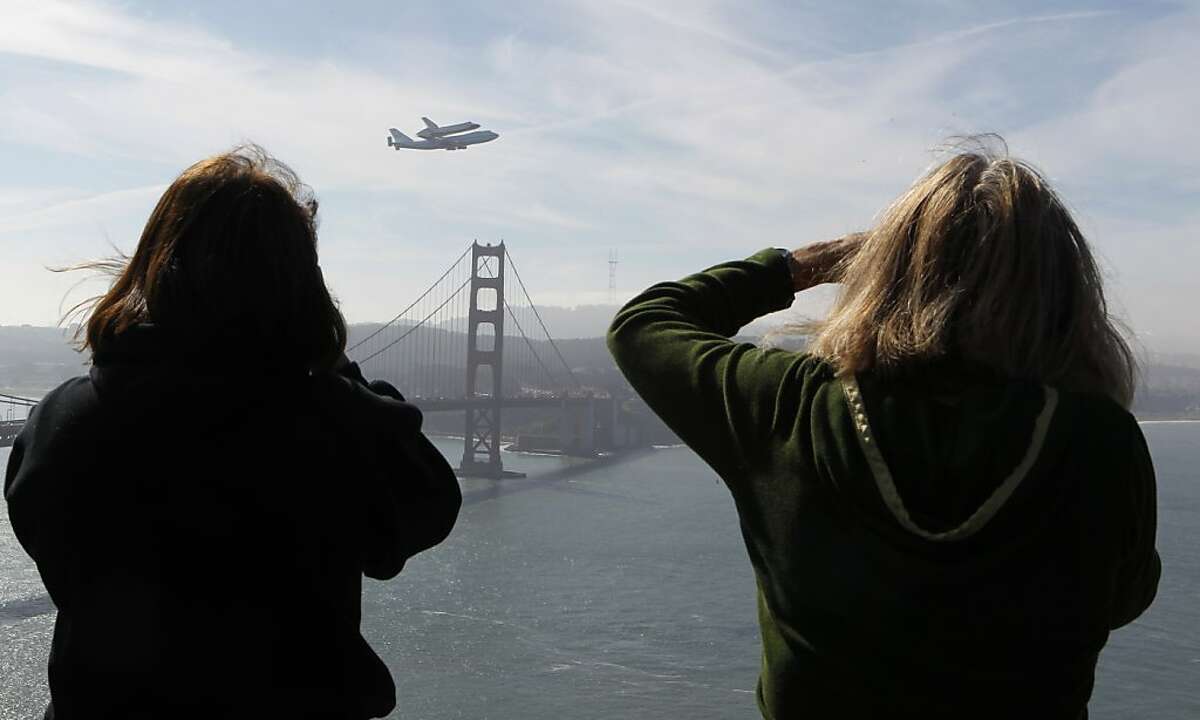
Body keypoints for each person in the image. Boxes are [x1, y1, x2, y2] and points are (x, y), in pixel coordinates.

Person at [607, 145, 1160, 719]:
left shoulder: (791, 407)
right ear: (1067, 294)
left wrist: (802, 266)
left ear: (884, 273)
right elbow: (1123, 598)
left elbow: (642, 326)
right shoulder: (1099, 441)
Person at [4, 146, 462, 719]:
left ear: (152, 262)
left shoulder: (58, 422)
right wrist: (332, 361)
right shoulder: (334, 421)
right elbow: (426, 509)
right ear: (300, 284)